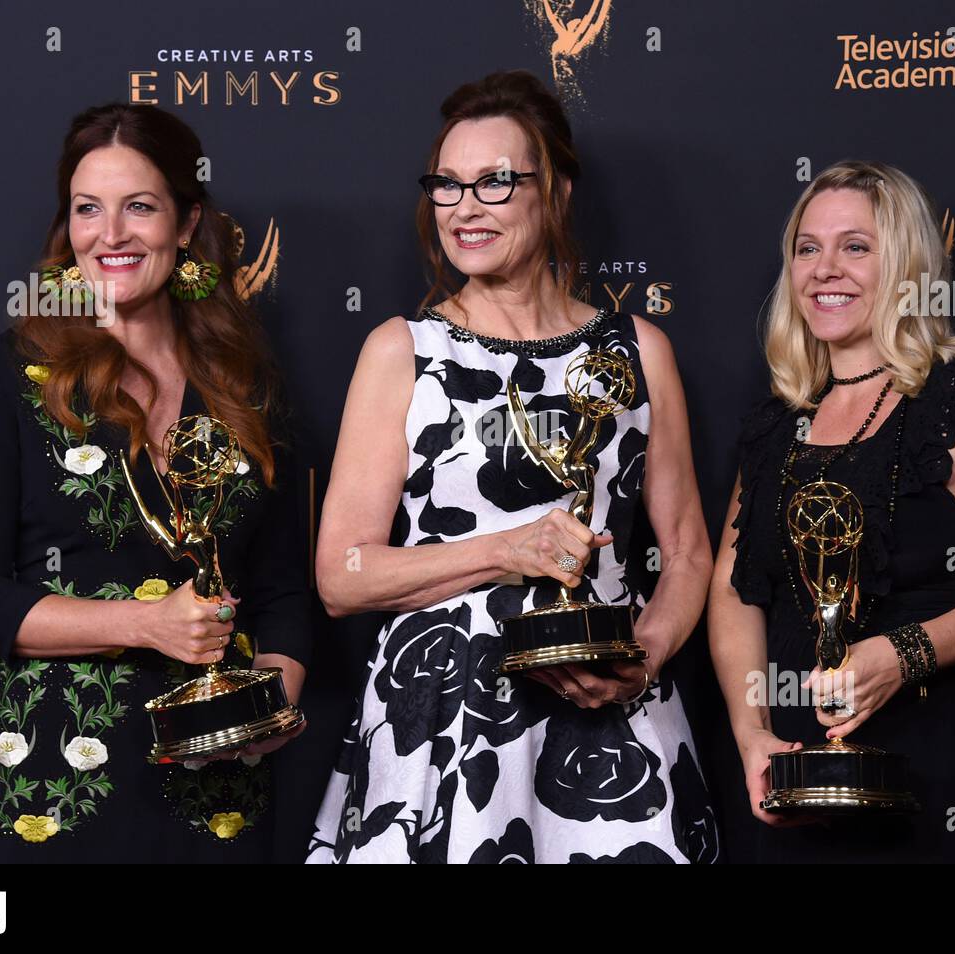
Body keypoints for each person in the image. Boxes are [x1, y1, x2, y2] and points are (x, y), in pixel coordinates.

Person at [305, 71, 719, 863]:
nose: (465, 207)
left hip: (609, 714)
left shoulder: (639, 351)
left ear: (555, 191)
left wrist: (645, 658)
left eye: (495, 182)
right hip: (441, 720)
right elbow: (341, 575)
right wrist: (503, 549)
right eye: (448, 185)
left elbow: (690, 551)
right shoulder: (406, 351)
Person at [0, 102, 311, 862]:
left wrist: (259, 721)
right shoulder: (8, 374)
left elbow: (282, 596)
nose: (109, 236)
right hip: (51, 787)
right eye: (87, 210)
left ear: (186, 222)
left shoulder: (246, 386)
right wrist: (144, 625)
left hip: (217, 795)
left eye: (138, 206)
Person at [709, 160, 955, 862]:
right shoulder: (777, 427)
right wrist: (751, 734)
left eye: (856, 246)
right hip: (789, 775)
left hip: (930, 767)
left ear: (907, 265)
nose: (825, 269)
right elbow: (733, 592)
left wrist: (903, 656)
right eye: (807, 248)